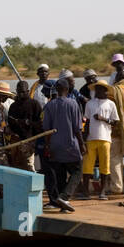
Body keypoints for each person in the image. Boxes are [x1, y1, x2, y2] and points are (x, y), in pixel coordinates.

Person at [40, 79, 84, 213]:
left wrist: (48, 146)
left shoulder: (49, 106)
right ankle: (64, 197)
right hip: (70, 145)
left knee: (60, 174)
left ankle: (62, 205)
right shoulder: (73, 104)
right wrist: (82, 144)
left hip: (54, 145)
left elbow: (46, 129)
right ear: (67, 89)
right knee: (77, 171)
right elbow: (77, 128)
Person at [82, 81, 120, 200]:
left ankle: (102, 192)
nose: (97, 91)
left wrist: (103, 119)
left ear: (105, 90)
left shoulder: (111, 104)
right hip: (91, 139)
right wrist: (84, 139)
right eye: (96, 89)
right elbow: (87, 122)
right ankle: (85, 192)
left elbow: (115, 122)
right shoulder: (90, 104)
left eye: (99, 89)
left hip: (105, 139)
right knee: (87, 166)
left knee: (105, 166)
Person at [6, 79, 43, 171]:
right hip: (16, 141)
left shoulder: (35, 104)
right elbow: (10, 123)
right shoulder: (13, 106)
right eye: (19, 92)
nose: (21, 94)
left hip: (30, 141)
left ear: (28, 91)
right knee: (16, 166)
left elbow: (40, 123)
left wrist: (28, 123)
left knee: (29, 166)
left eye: (23, 92)